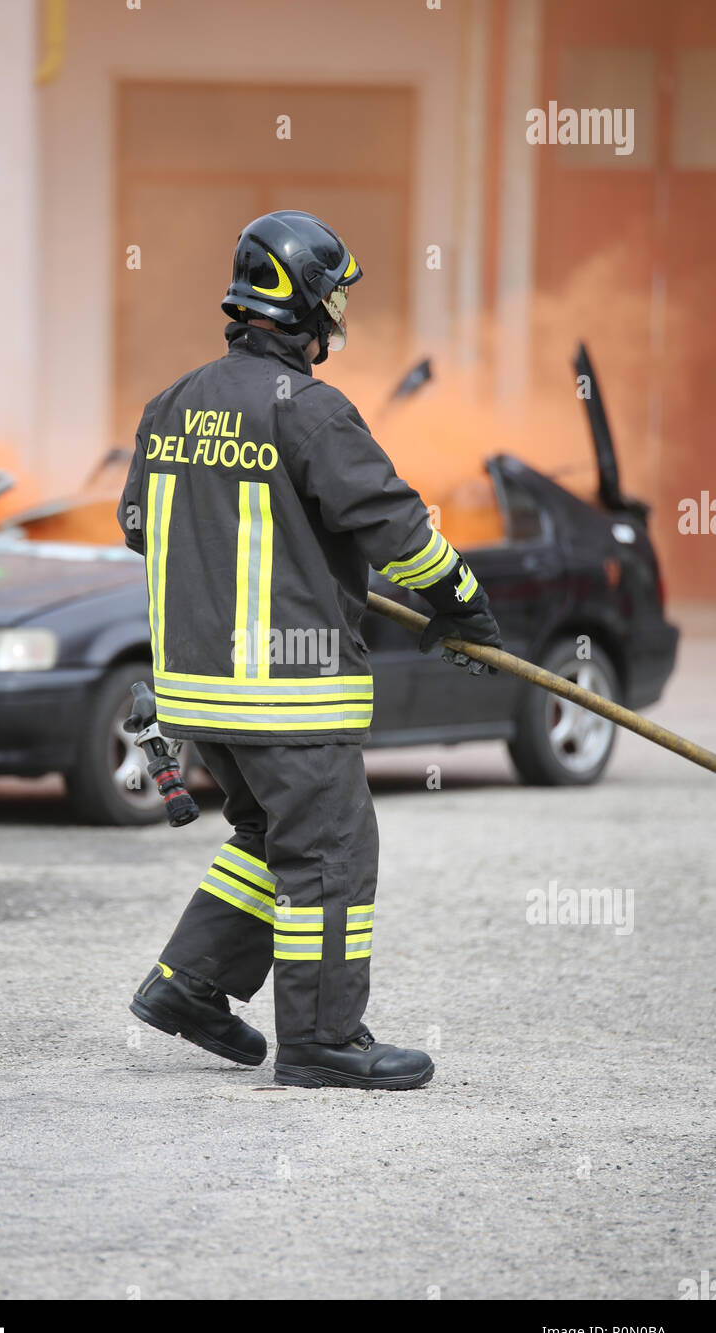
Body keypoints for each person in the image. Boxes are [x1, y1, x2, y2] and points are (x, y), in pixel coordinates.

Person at [118, 209, 502, 1089]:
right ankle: (324, 1039)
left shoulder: (170, 403)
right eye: (335, 297)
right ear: (308, 306)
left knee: (267, 836)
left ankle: (191, 985)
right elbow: (398, 531)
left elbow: (141, 526)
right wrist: (462, 605)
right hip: (289, 693)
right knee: (330, 854)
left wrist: (277, 540)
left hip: (198, 697)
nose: (340, 315)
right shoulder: (313, 413)